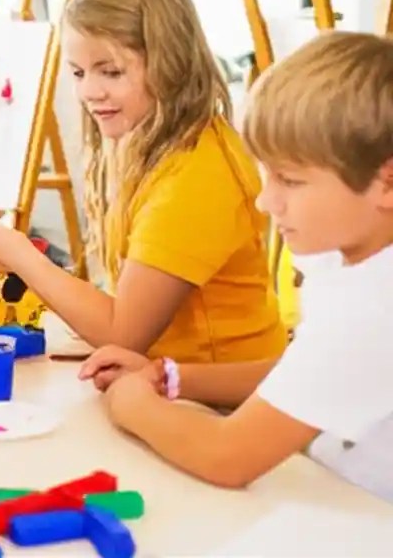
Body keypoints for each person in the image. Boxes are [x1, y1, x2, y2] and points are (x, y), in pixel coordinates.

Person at [78, 31, 393, 498]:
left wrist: (132, 403)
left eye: (290, 181)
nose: (267, 201)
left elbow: (227, 457)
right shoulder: (354, 267)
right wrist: (170, 375)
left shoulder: (372, 305)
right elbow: (297, 370)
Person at [0, 0, 286, 363]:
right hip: (173, 379)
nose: (89, 91)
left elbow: (124, 334)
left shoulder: (196, 174)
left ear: (169, 63)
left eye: (110, 72)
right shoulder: (150, 144)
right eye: (78, 72)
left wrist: (22, 257)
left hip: (219, 397)